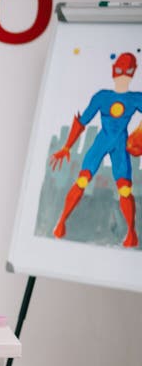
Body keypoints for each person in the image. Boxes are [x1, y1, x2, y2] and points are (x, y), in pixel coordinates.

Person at [49, 52, 142, 247]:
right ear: (113, 71)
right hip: (103, 140)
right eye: (120, 70)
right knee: (82, 180)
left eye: (127, 71)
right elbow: (82, 121)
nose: (123, 75)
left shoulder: (135, 98)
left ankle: (131, 234)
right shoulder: (102, 96)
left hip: (119, 144)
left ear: (133, 73)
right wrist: (67, 146)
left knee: (124, 189)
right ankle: (61, 223)